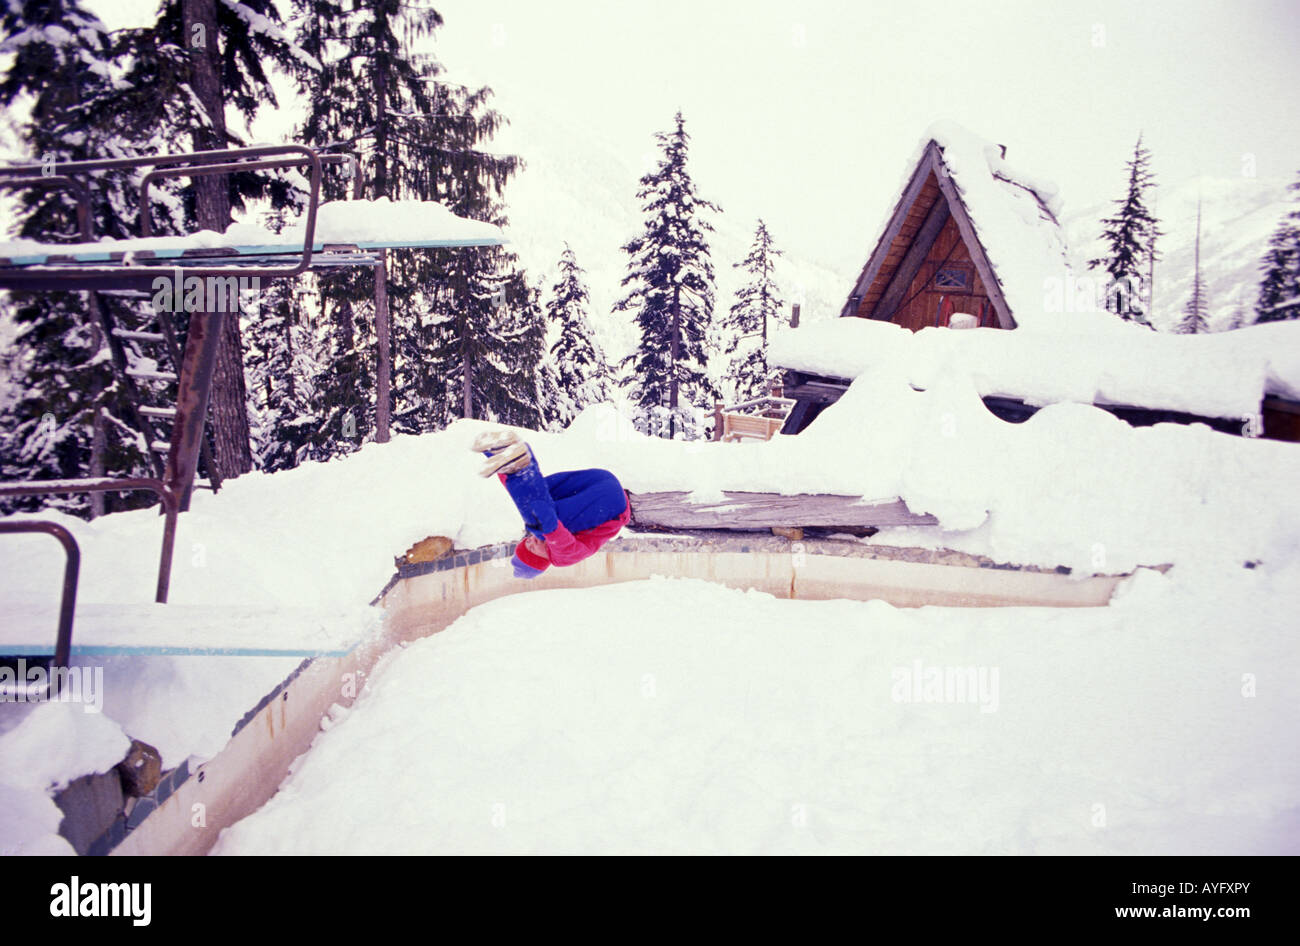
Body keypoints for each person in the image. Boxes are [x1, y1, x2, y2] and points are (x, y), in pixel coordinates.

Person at [473, 430, 630, 580]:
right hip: (611, 505)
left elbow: (528, 498)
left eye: (528, 542)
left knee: (537, 494)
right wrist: (549, 527)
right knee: (539, 519)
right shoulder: (561, 558)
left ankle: (510, 460)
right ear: (540, 559)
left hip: (599, 483)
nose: (532, 541)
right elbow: (562, 542)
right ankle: (511, 467)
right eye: (532, 549)